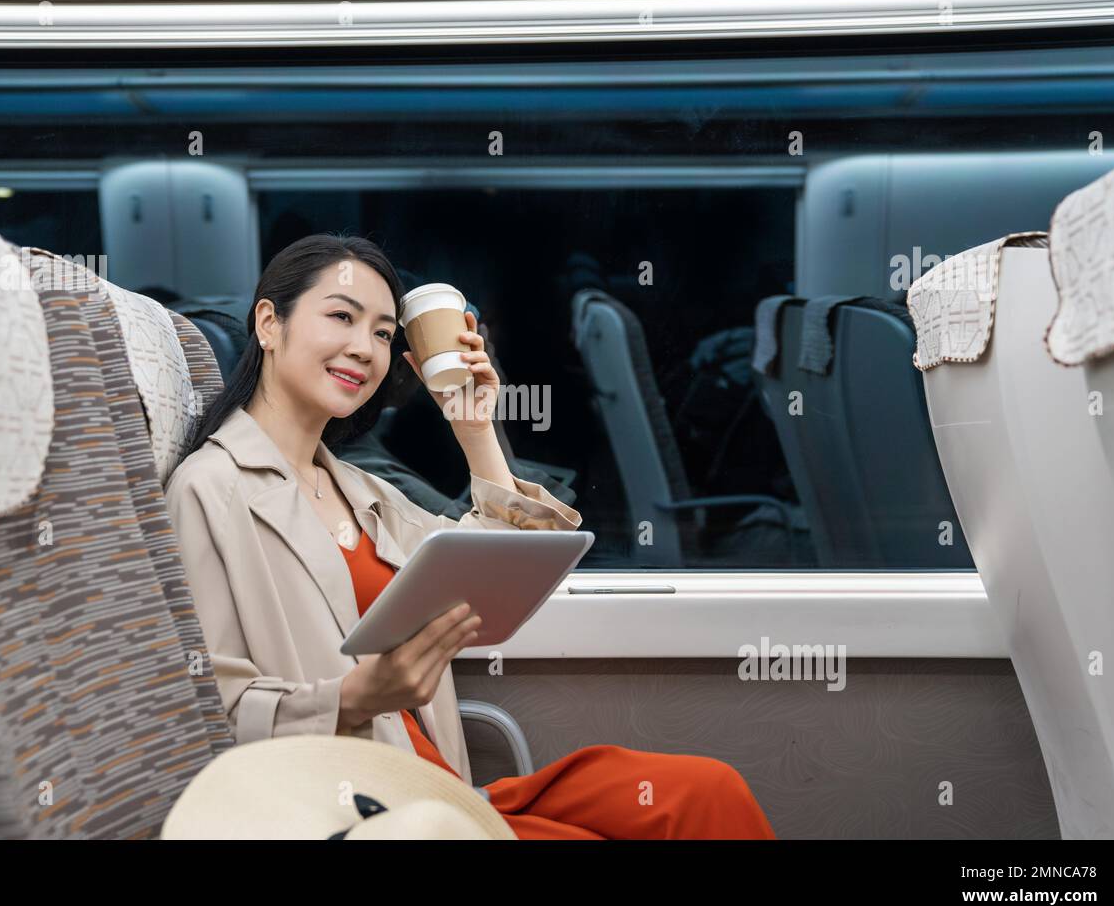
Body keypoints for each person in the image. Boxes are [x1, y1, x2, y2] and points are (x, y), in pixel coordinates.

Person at [163, 233, 776, 839]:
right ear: (269, 323)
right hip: (356, 809)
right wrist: (353, 696)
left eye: (382, 333)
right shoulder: (209, 489)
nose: (364, 348)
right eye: (341, 317)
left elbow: (497, 566)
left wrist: (473, 427)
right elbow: (208, 717)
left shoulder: (359, 489)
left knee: (704, 791)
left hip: (441, 788)